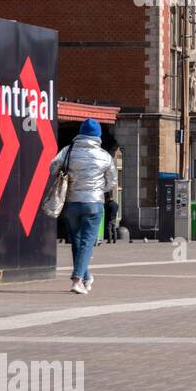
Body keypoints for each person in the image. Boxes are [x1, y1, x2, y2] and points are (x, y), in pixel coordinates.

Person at [52, 119, 117, 295]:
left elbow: (53, 168)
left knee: (77, 242)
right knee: (87, 242)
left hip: (71, 203)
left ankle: (86, 277)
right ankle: (77, 280)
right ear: (97, 136)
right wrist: (97, 191)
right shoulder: (105, 156)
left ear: (80, 133)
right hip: (94, 204)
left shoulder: (68, 151)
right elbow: (112, 182)